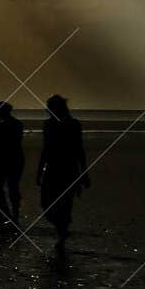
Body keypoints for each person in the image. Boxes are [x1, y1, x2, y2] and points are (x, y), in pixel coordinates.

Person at [36, 94, 90, 249]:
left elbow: (80, 150)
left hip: (68, 169)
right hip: (53, 169)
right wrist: (40, 170)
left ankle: (62, 234)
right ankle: (62, 228)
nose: (47, 110)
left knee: (64, 204)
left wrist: (84, 173)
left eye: (50, 107)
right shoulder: (48, 125)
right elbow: (45, 149)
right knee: (46, 204)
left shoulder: (73, 125)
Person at [0, 100, 25, 223]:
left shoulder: (1, 126)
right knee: (12, 188)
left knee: (1, 189)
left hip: (7, 160)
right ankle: (13, 216)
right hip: (16, 159)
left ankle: (4, 216)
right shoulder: (17, 124)